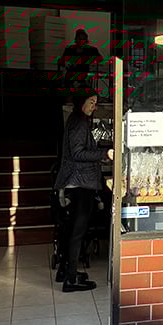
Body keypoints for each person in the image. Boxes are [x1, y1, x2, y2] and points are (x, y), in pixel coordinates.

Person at [54, 90, 113, 292]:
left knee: (71, 230)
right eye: (91, 102)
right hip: (80, 182)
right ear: (81, 102)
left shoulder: (75, 120)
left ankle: (65, 271)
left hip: (76, 181)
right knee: (78, 232)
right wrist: (104, 153)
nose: (94, 107)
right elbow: (78, 153)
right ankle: (71, 280)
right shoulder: (79, 123)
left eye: (95, 103)